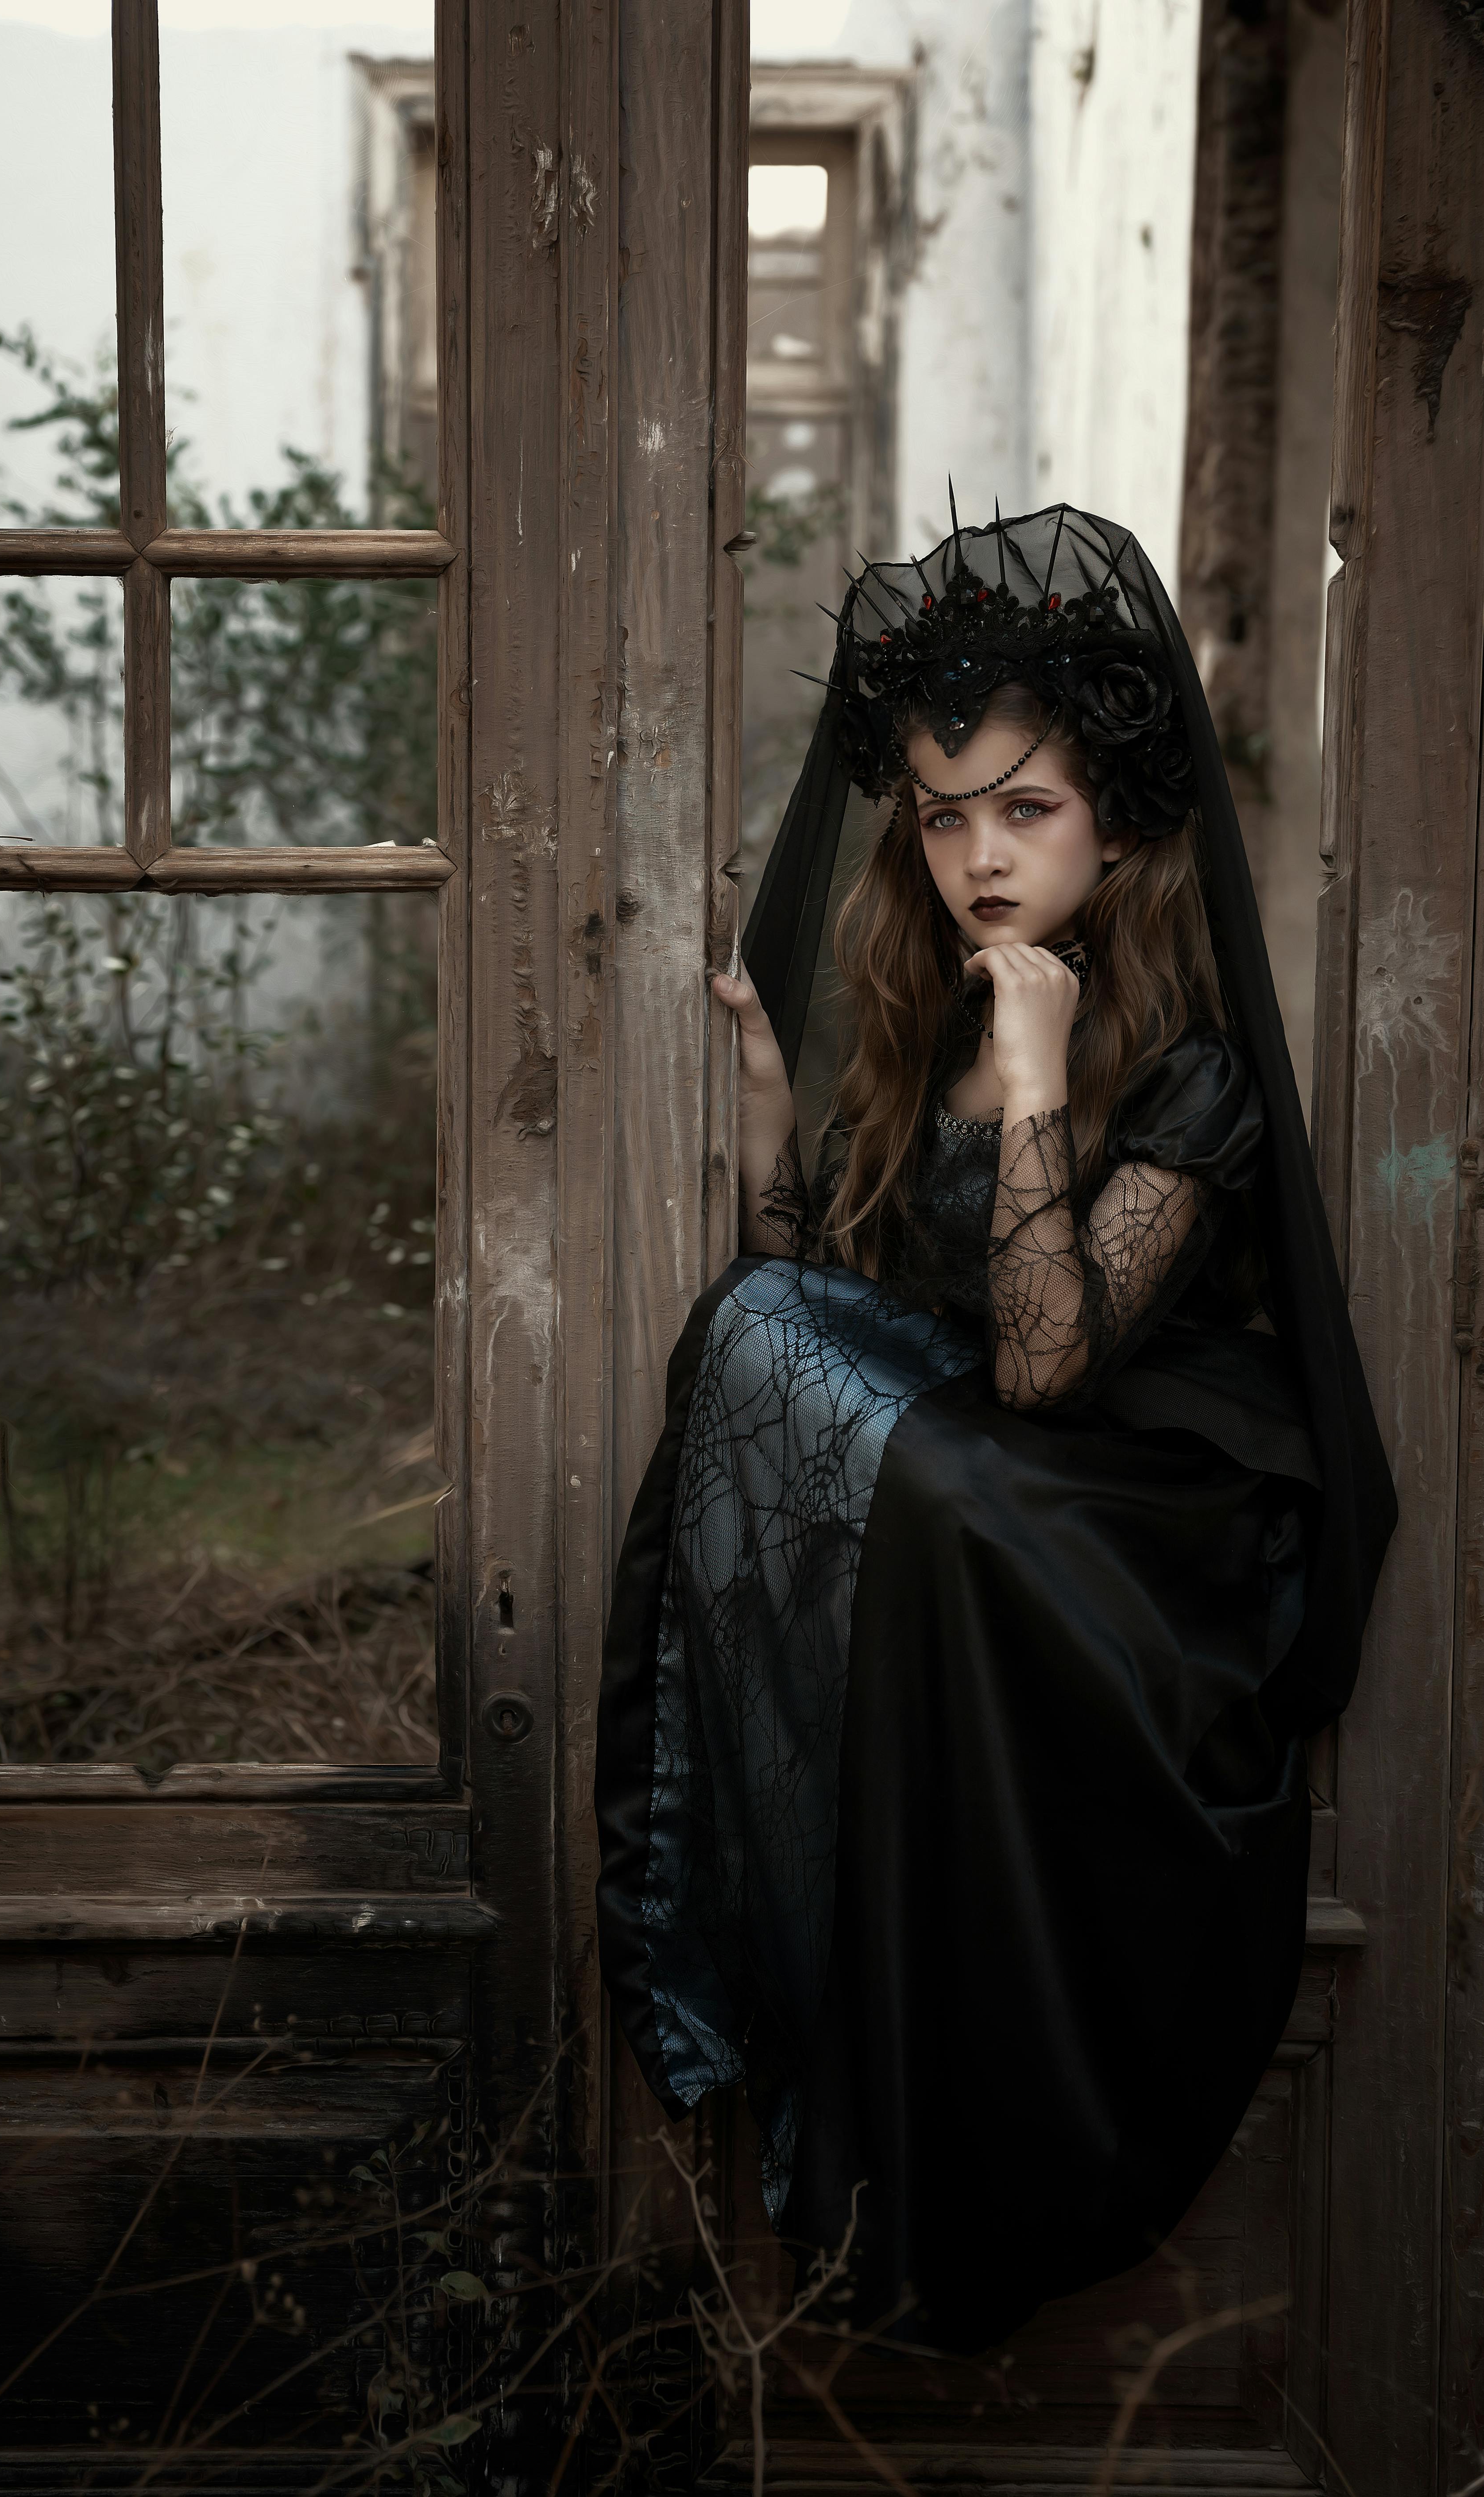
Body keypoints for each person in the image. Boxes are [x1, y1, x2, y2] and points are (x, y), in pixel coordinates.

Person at [595, 504, 1396, 2351]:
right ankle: (774, 1895)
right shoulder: (919, 1002)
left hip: (1131, 1521)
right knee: (761, 1328)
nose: (976, 856)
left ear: (1117, 815)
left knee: (926, 1452)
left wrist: (1041, 1084)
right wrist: (771, 1120)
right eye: (945, 813)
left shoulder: (1189, 1064)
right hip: (974, 1480)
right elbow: (846, 1300)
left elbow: (1044, 1363)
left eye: (1022, 808)